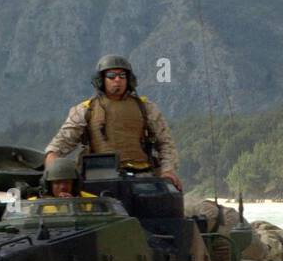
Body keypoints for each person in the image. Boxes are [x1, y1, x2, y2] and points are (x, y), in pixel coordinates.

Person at [44, 54, 181, 190]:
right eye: (111, 76)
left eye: (122, 76)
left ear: (129, 79)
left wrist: (167, 170)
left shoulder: (146, 108)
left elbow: (165, 143)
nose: (117, 80)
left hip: (142, 176)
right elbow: (63, 141)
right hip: (99, 177)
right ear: (101, 80)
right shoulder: (85, 110)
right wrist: (52, 159)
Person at [27, 158, 97, 200]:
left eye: (67, 182)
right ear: (48, 185)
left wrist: (75, 204)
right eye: (57, 183)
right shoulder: (34, 204)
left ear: (75, 184)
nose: (63, 187)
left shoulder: (91, 201)